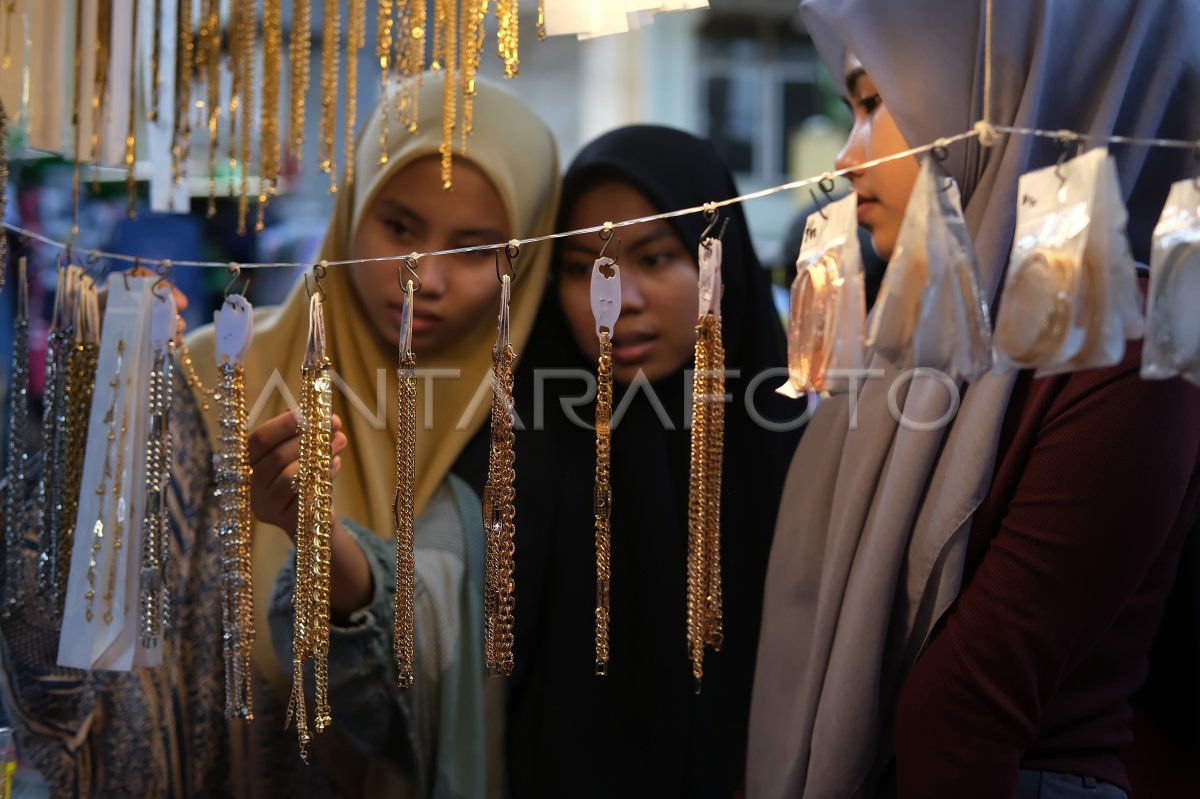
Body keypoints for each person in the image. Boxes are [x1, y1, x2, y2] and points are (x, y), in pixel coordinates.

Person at [747, 2, 1200, 798]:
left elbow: (964, 708)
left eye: (874, 102)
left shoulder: (1122, 352)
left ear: (1003, 103)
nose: (847, 159)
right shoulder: (919, 324)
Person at [186, 72, 559, 798]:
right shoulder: (212, 373)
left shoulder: (537, 435)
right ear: (351, 210)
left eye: (476, 249)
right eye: (399, 228)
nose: (424, 277)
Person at [453, 125, 801, 798]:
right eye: (584, 268)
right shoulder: (516, 445)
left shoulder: (797, 438)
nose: (620, 302)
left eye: (657, 258)